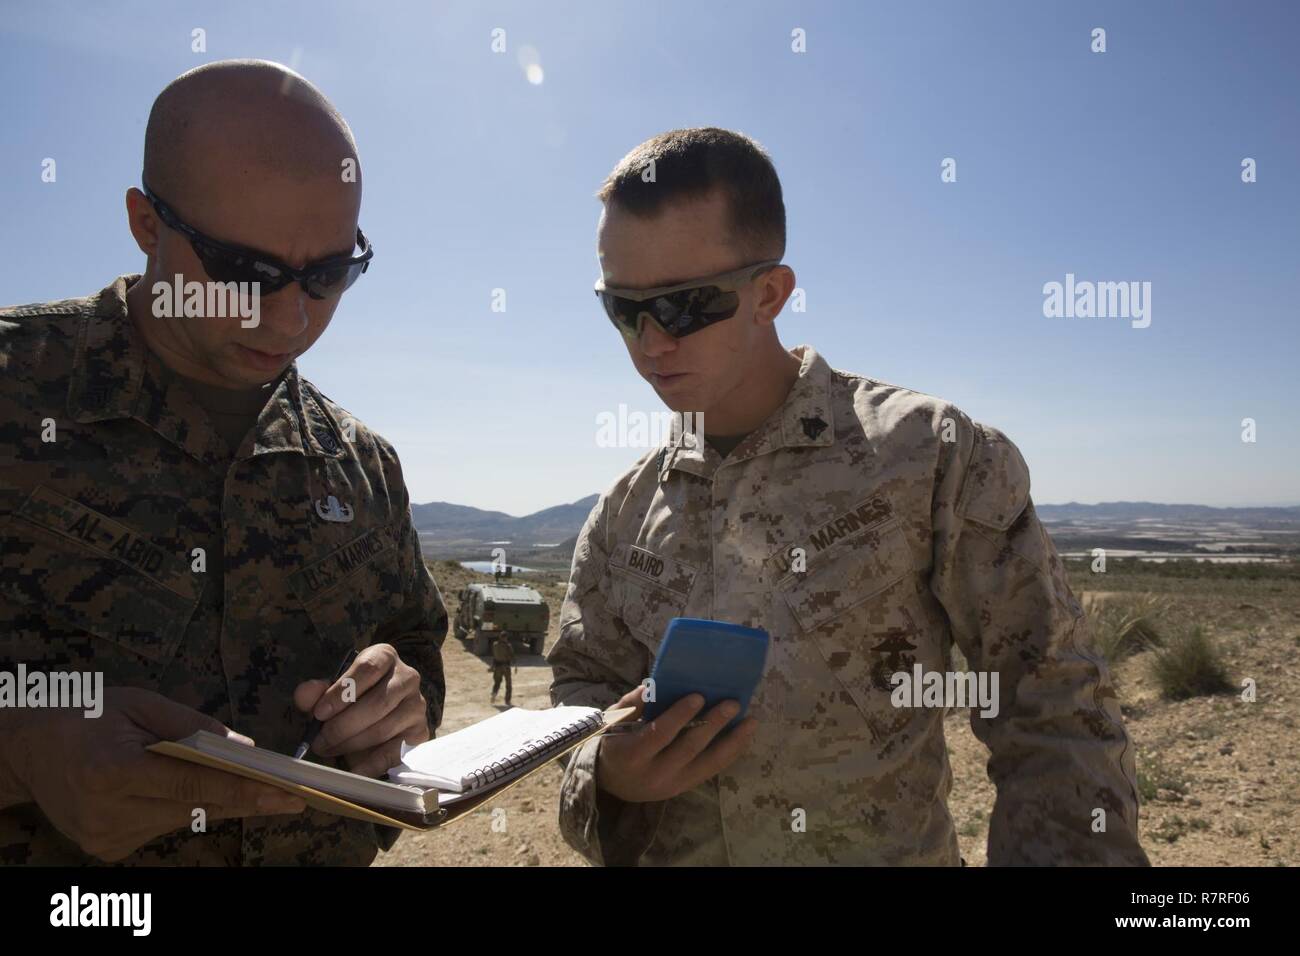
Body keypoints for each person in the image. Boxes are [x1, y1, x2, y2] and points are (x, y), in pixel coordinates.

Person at [548, 127, 1150, 866]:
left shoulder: (932, 456)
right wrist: (606, 771)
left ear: (769, 293)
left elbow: (1053, 708)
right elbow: (579, 697)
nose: (650, 343)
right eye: (622, 309)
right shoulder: (622, 513)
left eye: (682, 306)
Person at [0, 60, 447, 865]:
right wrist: (19, 747)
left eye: (330, 274)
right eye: (244, 271)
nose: (291, 316)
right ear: (146, 225)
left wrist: (398, 697)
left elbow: (414, 647)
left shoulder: (362, 466)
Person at [491, 633, 516, 706]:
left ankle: (494, 694)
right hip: (506, 667)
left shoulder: (495, 645)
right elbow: (512, 657)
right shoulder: (508, 646)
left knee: (497, 682)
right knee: (508, 684)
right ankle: (507, 701)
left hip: (497, 667)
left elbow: (494, 656)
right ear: (505, 638)